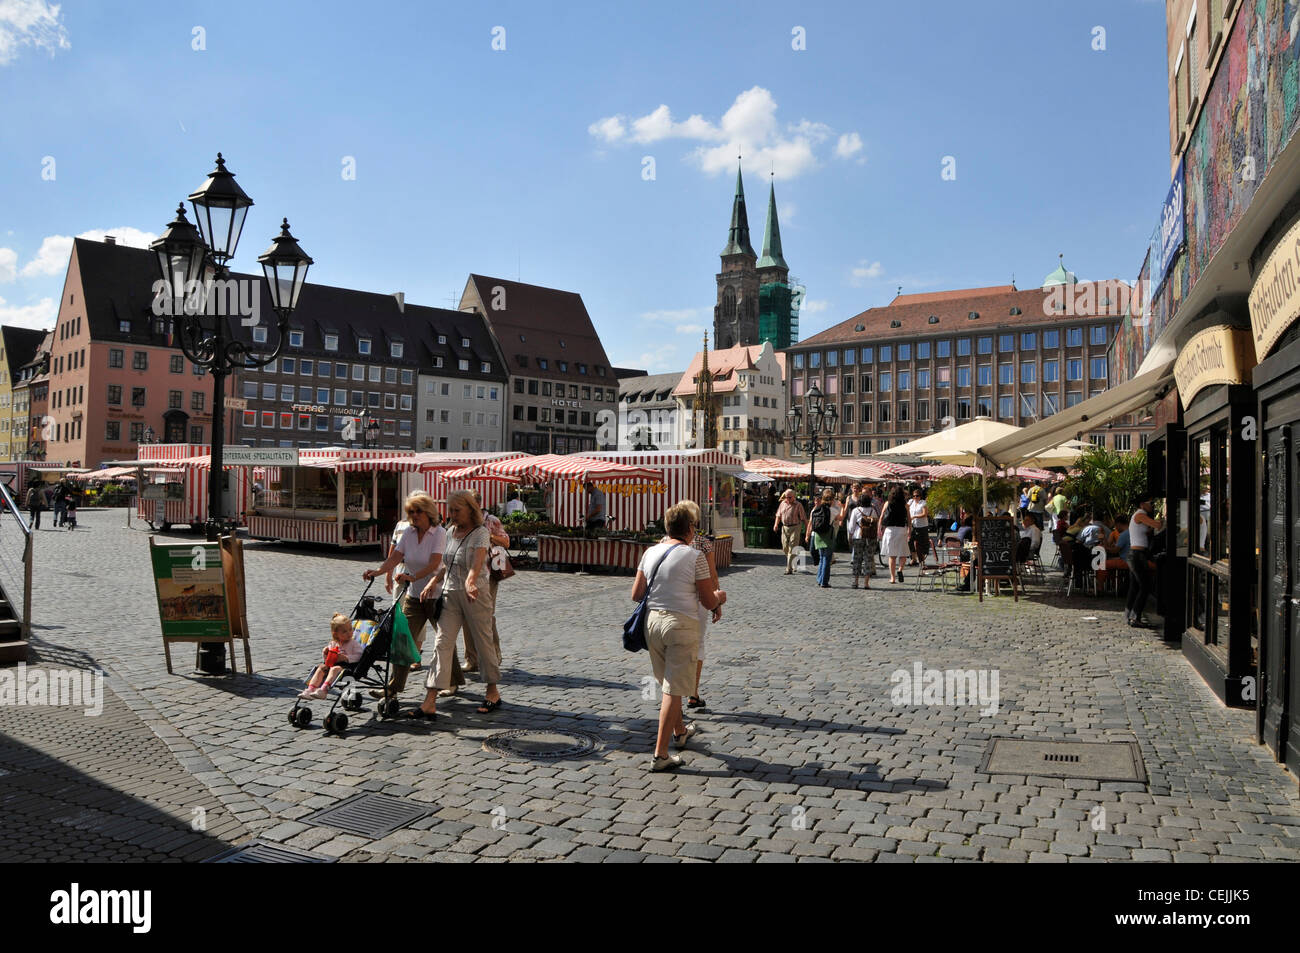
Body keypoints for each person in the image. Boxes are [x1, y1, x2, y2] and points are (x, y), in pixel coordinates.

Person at [630, 501, 725, 772]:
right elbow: (708, 600)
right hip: (681, 624)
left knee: (668, 684)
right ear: (691, 528)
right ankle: (660, 754)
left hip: (653, 624)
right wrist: (720, 598)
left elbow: (636, 594)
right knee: (672, 690)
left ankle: (680, 731)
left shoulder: (650, 552)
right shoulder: (693, 556)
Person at [405, 490, 502, 719]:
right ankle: (430, 700)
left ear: (470, 509)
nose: (453, 515)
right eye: (451, 510)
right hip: (450, 595)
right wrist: (432, 581)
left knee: (482, 642)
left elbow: (477, 564)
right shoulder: (449, 532)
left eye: (457, 510)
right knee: (442, 643)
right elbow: (446, 565)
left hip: (474, 595)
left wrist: (470, 581)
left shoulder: (480, 533)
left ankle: (492, 691)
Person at [362, 492, 449, 697]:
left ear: (429, 512)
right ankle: (393, 688)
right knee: (402, 639)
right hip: (414, 595)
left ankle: (451, 681)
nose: (415, 515)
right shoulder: (409, 533)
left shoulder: (439, 533)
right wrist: (379, 571)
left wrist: (413, 576)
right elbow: (396, 557)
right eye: (411, 511)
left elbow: (435, 563)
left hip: (437, 594)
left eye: (418, 511)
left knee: (444, 640)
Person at [677, 500, 719, 709]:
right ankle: (692, 693)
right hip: (700, 599)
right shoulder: (703, 543)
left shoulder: (664, 542)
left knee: (675, 647)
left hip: (675, 600)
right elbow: (712, 574)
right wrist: (716, 602)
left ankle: (674, 692)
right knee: (697, 643)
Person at [463, 490, 508, 679]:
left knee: (486, 615)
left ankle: (494, 655)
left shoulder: (492, 521)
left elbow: (506, 541)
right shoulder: (462, 522)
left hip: (488, 574)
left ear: (478, 504)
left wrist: (488, 536)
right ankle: (471, 658)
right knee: (466, 616)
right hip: (466, 573)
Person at [299, 613, 364, 699]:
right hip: (332, 665)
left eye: (350, 629)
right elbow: (327, 660)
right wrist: (325, 653)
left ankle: (324, 690)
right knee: (321, 668)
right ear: (336, 634)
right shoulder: (333, 643)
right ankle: (310, 689)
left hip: (347, 667)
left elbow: (359, 656)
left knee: (334, 669)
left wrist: (346, 658)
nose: (349, 633)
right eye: (345, 631)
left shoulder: (353, 643)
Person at [1126, 498, 1163, 627]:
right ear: (1142, 504)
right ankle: (1135, 616)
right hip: (1137, 555)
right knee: (1145, 586)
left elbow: (1146, 531)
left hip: (1136, 554)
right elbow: (1157, 525)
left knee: (1135, 586)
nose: (1152, 506)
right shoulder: (1141, 514)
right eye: (1150, 503)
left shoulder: (1138, 516)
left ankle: (1129, 613)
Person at [806, 488, 837, 588]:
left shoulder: (817, 509)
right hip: (828, 536)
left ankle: (819, 579)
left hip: (818, 536)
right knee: (826, 560)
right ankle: (824, 582)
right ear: (832, 499)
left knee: (821, 559)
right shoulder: (832, 510)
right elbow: (840, 518)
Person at [848, 492, 879, 589]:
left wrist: (850, 536)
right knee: (868, 559)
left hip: (858, 537)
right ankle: (866, 583)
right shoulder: (872, 511)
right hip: (870, 537)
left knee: (857, 559)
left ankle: (855, 581)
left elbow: (851, 527)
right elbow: (875, 524)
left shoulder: (855, 511)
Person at [879, 487, 911, 584]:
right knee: (903, 553)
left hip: (890, 530)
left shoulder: (887, 503)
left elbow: (881, 517)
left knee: (892, 556)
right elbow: (909, 519)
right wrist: (910, 529)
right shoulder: (905, 505)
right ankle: (900, 569)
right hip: (901, 529)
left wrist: (879, 529)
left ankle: (892, 578)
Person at [772, 488, 806, 574]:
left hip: (795, 527)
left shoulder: (798, 505)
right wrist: (776, 524)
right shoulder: (782, 504)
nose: (788, 499)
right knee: (785, 548)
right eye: (786, 497)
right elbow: (778, 515)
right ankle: (793, 561)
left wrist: (807, 529)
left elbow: (803, 518)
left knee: (792, 547)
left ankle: (788, 568)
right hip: (785, 527)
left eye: (789, 497)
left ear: (794, 497)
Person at [907, 488, 930, 566]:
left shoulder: (923, 503)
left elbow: (925, 514)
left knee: (921, 544)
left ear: (920, 496)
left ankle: (922, 560)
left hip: (922, 526)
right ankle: (914, 559)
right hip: (913, 525)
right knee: (910, 541)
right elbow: (906, 508)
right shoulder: (911, 502)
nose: (915, 497)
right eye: (914, 496)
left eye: (917, 496)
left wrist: (915, 516)